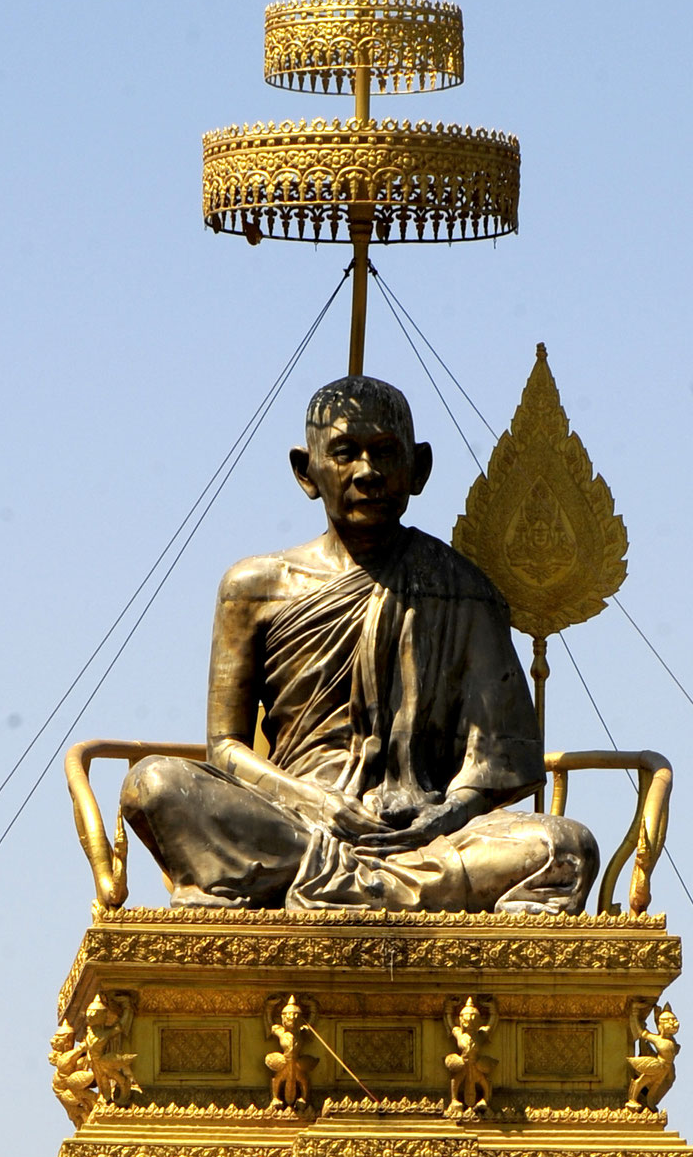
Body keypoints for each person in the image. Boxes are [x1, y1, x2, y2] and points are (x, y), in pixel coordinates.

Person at [121, 375, 598, 914]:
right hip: (296, 818)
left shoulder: (463, 591)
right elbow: (225, 748)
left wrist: (443, 815)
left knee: (565, 847)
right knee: (155, 785)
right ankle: (391, 889)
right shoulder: (254, 587)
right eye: (345, 452)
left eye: (386, 454)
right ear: (307, 471)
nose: (368, 473)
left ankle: (340, 883)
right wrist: (317, 803)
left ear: (418, 469)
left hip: (425, 832)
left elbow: (495, 760)